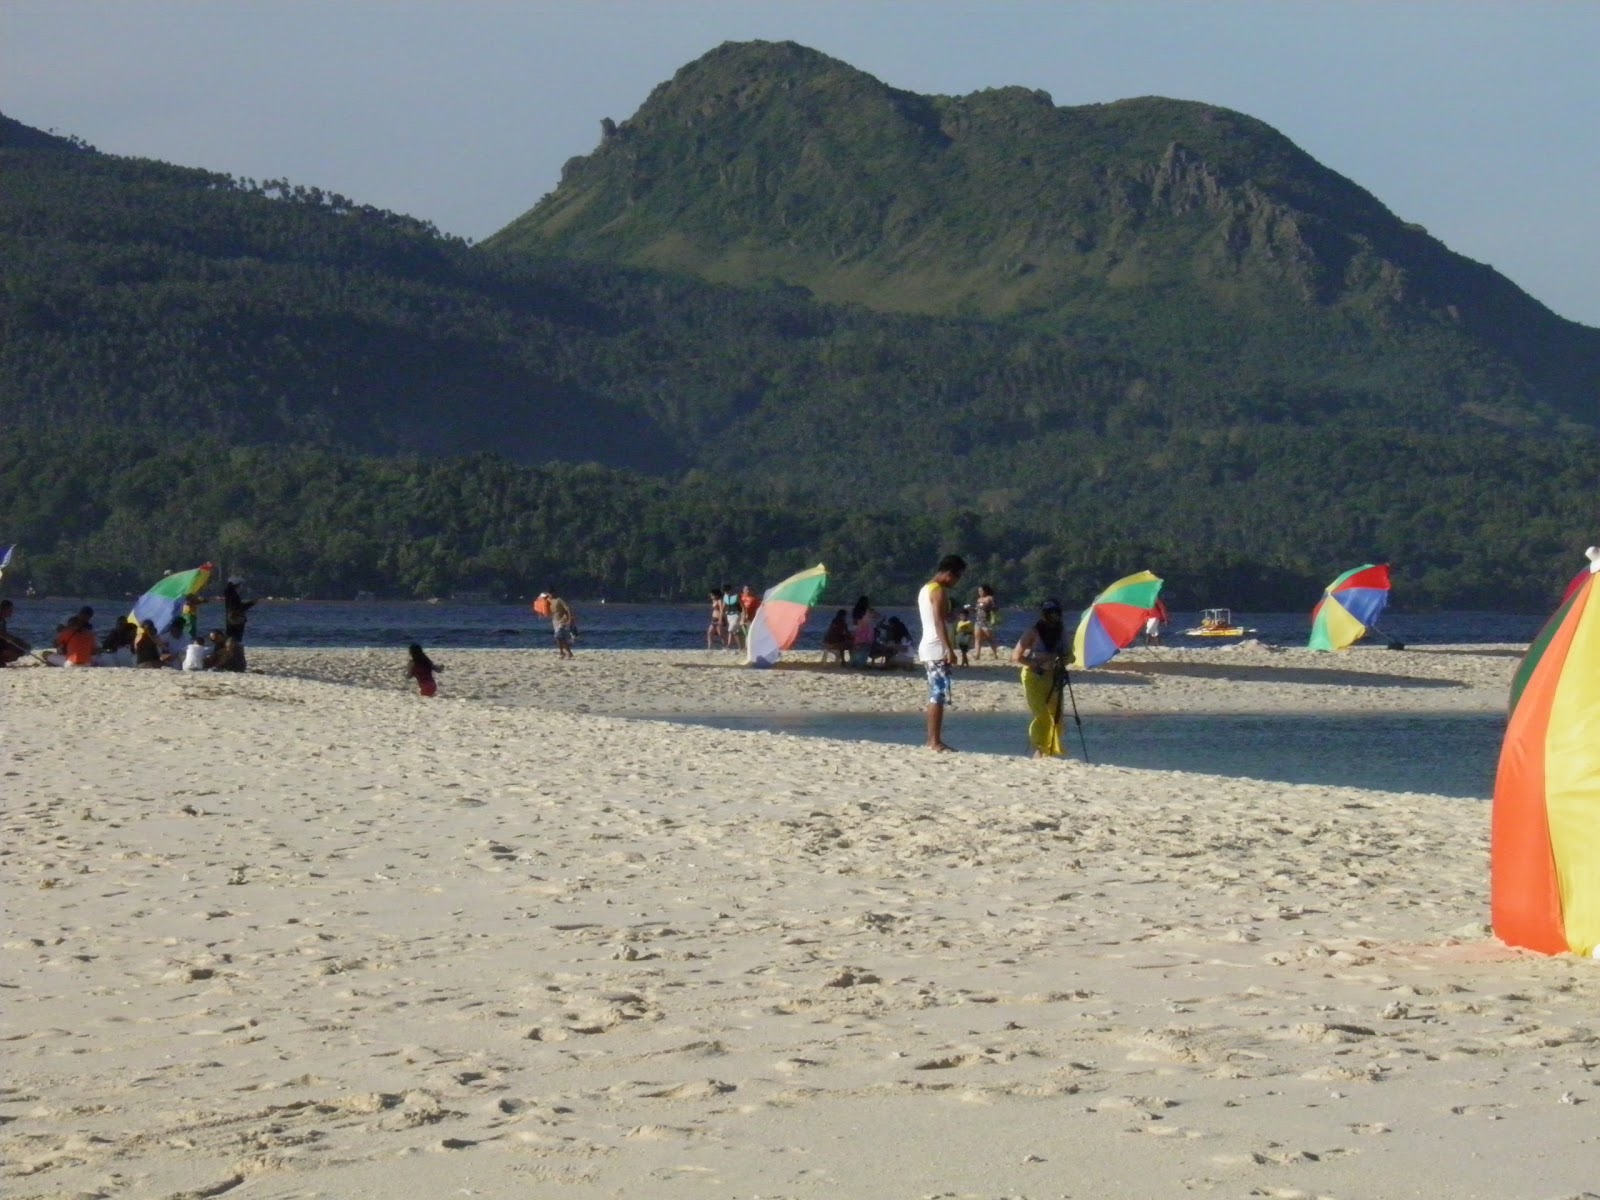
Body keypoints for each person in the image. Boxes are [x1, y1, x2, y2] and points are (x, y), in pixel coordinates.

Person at [917, 554, 967, 751]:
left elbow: (939, 618)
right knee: (937, 694)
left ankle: (933, 739)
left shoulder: (926, 589)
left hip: (929, 646)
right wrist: (948, 649)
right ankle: (934, 741)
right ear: (949, 573)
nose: (957, 581)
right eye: (957, 577)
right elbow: (938, 622)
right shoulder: (938, 591)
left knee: (937, 692)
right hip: (936, 647)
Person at [1013, 599, 1070, 758]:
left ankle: (1050, 750)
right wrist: (1036, 665)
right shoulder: (1032, 632)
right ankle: (1038, 749)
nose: (1054, 617)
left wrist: (1064, 659)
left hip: (1053, 677)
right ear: (1044, 615)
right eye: (1050, 613)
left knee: (1057, 716)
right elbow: (1016, 656)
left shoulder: (1061, 632)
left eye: (1056, 613)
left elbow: (1069, 654)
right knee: (1042, 715)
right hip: (1033, 677)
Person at [0, 599, 32, 666]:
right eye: (10, 610)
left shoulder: (3, 621)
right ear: (4, 609)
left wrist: (18, 640)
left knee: (21, 648)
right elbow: (3, 634)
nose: (11, 612)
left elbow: (4, 634)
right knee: (19, 649)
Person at [223, 577, 255, 643]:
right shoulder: (233, 594)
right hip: (236, 618)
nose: (241, 586)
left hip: (231, 618)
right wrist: (251, 603)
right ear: (236, 585)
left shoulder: (229, 593)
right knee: (235, 636)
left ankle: (230, 646)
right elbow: (238, 607)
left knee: (230, 635)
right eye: (240, 584)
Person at [974, 585, 1001, 659]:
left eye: (981, 591)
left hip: (986, 621)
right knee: (977, 638)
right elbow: (977, 610)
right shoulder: (979, 599)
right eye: (979, 591)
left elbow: (996, 608)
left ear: (985, 591)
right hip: (978, 620)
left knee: (990, 638)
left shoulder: (990, 598)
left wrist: (988, 605)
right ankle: (977, 655)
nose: (979, 592)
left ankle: (995, 654)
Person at [850, 596, 877, 667]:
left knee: (858, 646)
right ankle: (860, 663)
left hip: (858, 629)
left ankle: (854, 662)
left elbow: (854, 622)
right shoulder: (867, 610)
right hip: (866, 629)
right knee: (865, 646)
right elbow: (872, 618)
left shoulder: (855, 610)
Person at [549, 592, 577, 659]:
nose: (549, 595)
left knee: (558, 636)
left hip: (562, 621)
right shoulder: (550, 601)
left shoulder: (559, 600)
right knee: (560, 638)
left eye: (550, 594)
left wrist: (569, 619)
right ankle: (562, 653)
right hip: (555, 622)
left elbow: (567, 608)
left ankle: (567, 653)